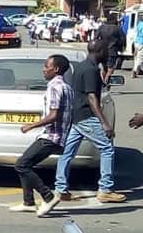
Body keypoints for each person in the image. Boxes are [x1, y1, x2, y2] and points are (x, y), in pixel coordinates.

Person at [54, 39, 126, 203]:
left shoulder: (82, 66)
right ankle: (105, 189)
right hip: (87, 116)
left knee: (67, 152)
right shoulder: (90, 70)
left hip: (77, 116)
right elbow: (92, 97)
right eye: (106, 50)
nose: (108, 53)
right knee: (107, 148)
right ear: (100, 52)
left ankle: (61, 189)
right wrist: (104, 122)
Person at [11, 54, 72, 216]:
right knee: (25, 164)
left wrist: (31, 125)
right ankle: (28, 202)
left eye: (46, 66)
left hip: (52, 136)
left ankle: (48, 196)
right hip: (57, 135)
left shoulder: (55, 86)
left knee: (21, 165)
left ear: (56, 69)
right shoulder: (66, 86)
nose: (43, 70)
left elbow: (54, 115)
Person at [96, 12, 125, 85]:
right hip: (112, 50)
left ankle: (103, 81)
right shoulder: (117, 28)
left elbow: (96, 38)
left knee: (104, 67)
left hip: (102, 51)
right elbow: (123, 39)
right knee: (110, 68)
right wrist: (120, 47)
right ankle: (106, 82)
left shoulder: (101, 27)